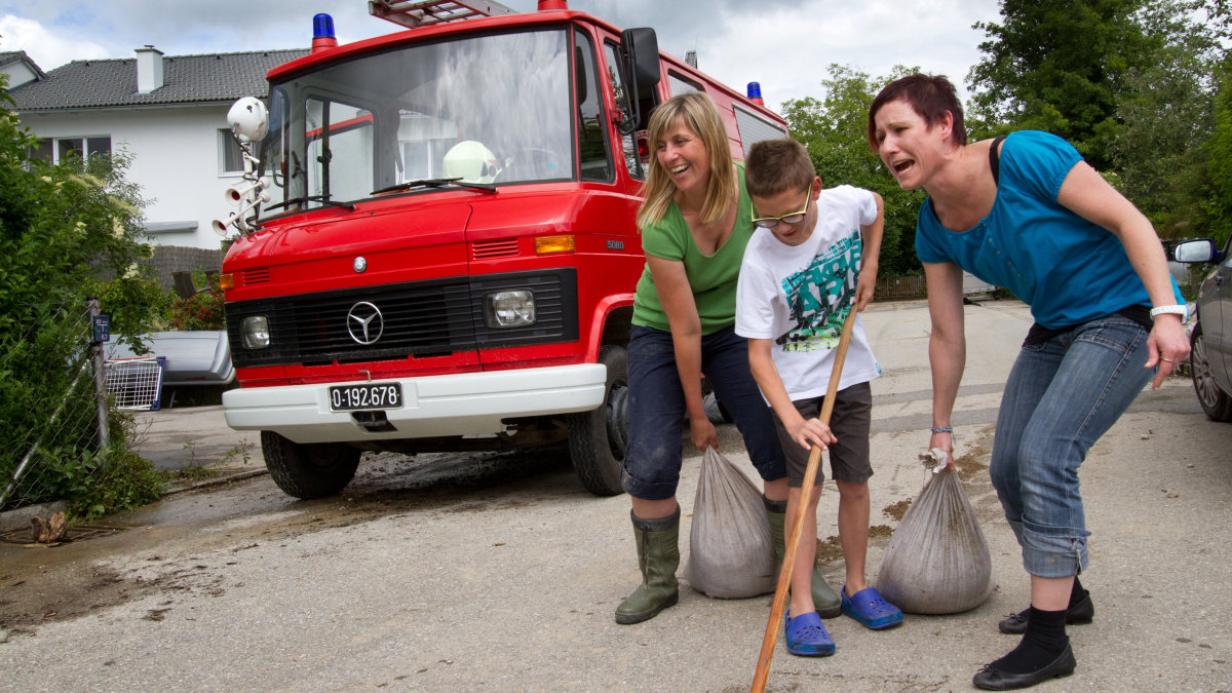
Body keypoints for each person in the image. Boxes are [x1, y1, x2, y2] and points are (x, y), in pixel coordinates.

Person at [868, 74, 1190, 689]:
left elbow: (1130, 220)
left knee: (1046, 456)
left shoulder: (1024, 156)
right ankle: (1068, 594)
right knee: (1008, 464)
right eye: (880, 137)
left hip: (1121, 316)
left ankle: (1049, 642)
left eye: (900, 130)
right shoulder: (933, 226)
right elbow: (946, 335)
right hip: (1055, 327)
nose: (887, 147)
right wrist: (941, 429)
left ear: (944, 125)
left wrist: (1166, 312)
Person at [616, 92, 840, 625]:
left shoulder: (749, 185)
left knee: (778, 441)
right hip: (664, 329)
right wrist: (698, 414)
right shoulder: (659, 219)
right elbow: (686, 327)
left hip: (741, 326)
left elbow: (802, 221)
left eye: (681, 141)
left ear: (711, 143)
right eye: (661, 146)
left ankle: (797, 569)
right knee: (649, 456)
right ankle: (658, 581)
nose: (669, 156)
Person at [736, 138, 901, 657]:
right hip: (794, 391)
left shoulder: (842, 204)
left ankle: (856, 586)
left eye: (791, 215)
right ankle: (802, 605)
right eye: (768, 220)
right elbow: (758, 355)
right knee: (804, 495)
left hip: (848, 373)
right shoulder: (759, 258)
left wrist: (870, 265)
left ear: (815, 189)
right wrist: (791, 420)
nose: (782, 229)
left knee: (855, 482)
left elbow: (877, 206)